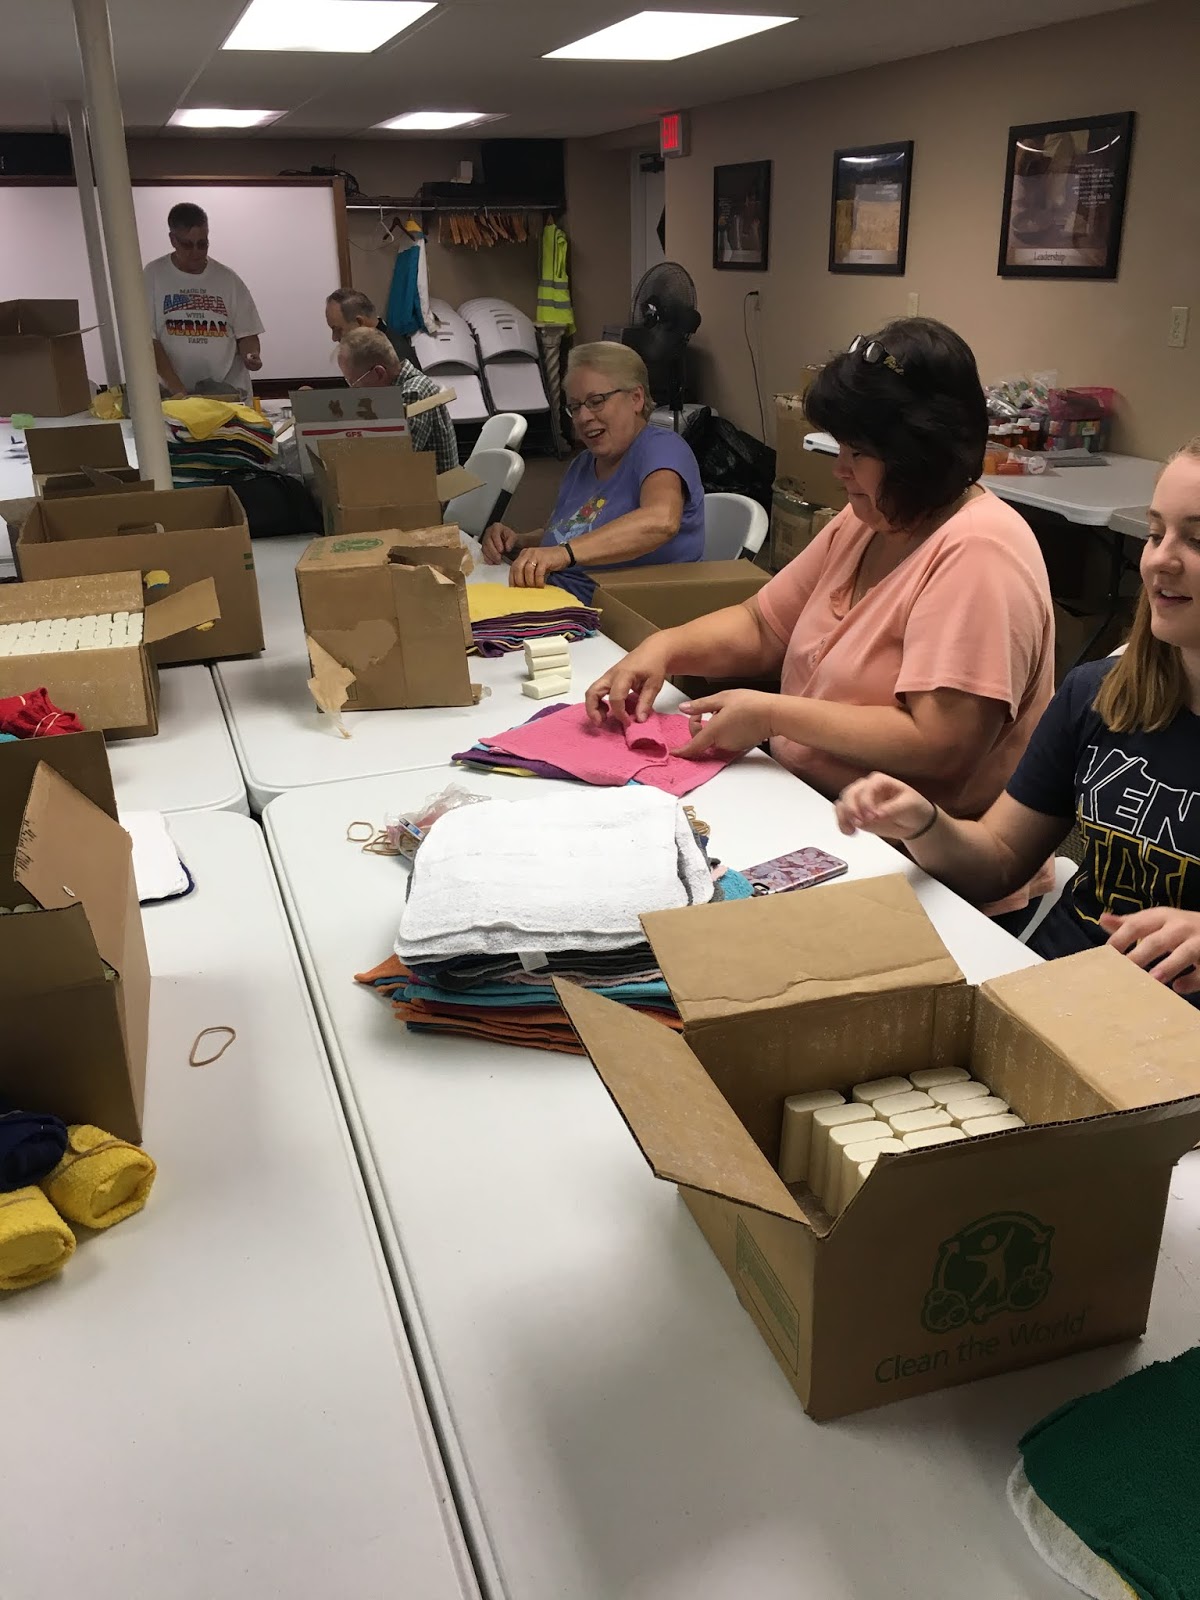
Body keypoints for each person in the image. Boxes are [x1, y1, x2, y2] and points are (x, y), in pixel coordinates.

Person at [585, 318, 1056, 921]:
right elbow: (763, 624)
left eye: (858, 454)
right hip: (815, 814)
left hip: (923, 877)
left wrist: (772, 714)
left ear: (919, 458)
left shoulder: (979, 554)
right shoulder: (874, 517)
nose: (839, 469)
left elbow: (941, 746)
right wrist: (664, 649)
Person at [835, 438, 1200, 1002]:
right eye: (1155, 534)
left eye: (1196, 540)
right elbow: (999, 860)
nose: (1160, 559)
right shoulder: (1098, 695)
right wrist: (925, 825)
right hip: (1060, 991)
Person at [481, 341, 704, 595]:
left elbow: (661, 520)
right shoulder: (583, 464)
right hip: (556, 595)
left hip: (616, 613)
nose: (583, 417)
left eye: (596, 401)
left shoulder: (662, 448)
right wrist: (519, 541)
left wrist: (562, 554)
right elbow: (572, 531)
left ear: (636, 398)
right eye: (575, 407)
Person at [144, 202, 263, 401]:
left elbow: (247, 333)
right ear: (173, 239)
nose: (196, 252)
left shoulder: (228, 279)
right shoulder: (153, 276)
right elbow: (148, 341)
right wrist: (178, 390)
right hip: (173, 394)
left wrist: (252, 355)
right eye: (187, 245)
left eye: (203, 244)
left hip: (226, 392)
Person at [336, 326, 459, 473]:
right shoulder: (395, 390)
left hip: (430, 491)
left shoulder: (414, 393)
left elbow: (394, 461)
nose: (353, 392)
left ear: (379, 373)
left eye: (353, 383)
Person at [324, 287, 418, 370]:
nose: (334, 338)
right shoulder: (364, 350)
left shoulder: (395, 358)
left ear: (360, 322)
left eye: (338, 330)